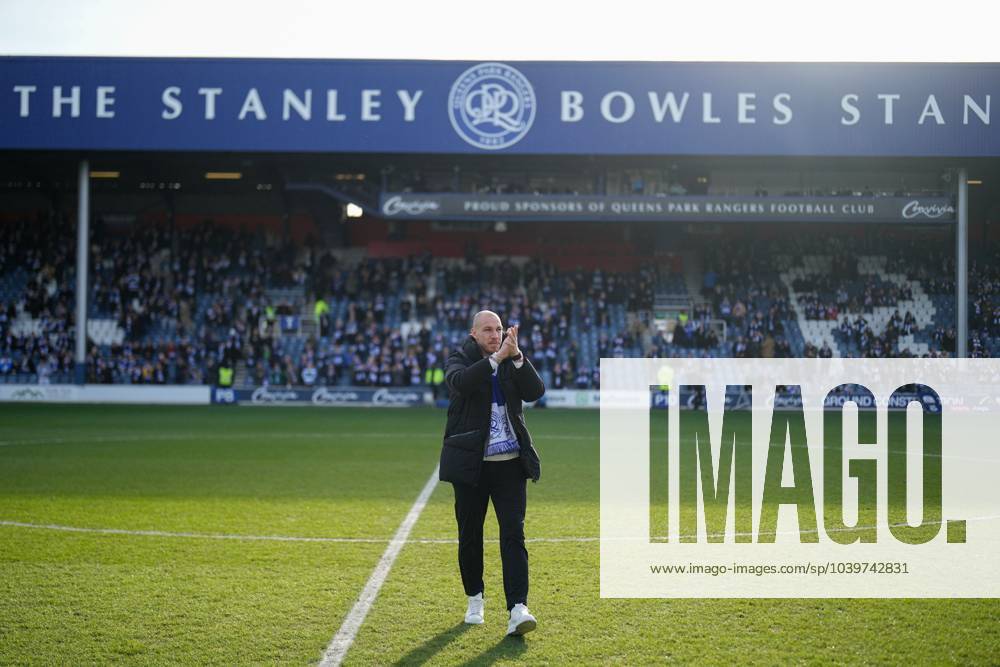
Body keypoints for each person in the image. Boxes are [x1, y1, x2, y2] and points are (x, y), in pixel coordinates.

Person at [439, 310, 545, 636]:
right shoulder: (460, 357)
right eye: (487, 329)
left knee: (513, 534)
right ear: (474, 334)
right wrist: (496, 359)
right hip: (472, 465)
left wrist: (517, 358)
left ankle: (518, 608)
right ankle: (475, 599)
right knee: (470, 536)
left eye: (499, 329)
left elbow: (535, 391)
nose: (494, 334)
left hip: (510, 464)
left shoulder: (511, 358)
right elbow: (460, 383)